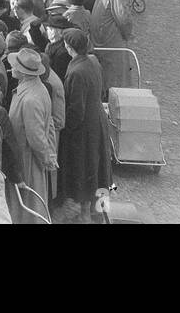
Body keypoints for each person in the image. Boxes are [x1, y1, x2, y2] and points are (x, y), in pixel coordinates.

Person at [58, 29, 108, 221]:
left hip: (83, 130)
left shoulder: (76, 72)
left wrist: (67, 129)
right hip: (97, 121)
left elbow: (76, 109)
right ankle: (98, 210)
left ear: (69, 47)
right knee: (97, 168)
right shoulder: (93, 61)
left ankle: (86, 213)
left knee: (83, 168)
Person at [6, 47, 57, 223]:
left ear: (22, 72)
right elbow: (48, 125)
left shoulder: (30, 99)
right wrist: (50, 152)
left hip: (27, 160)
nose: (11, 67)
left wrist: (47, 157)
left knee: (27, 206)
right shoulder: (38, 88)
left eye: (14, 65)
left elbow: (35, 138)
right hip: (32, 157)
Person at [89, 0, 133, 88]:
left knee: (112, 83)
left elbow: (123, 20)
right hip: (102, 45)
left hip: (110, 46)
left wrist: (124, 37)